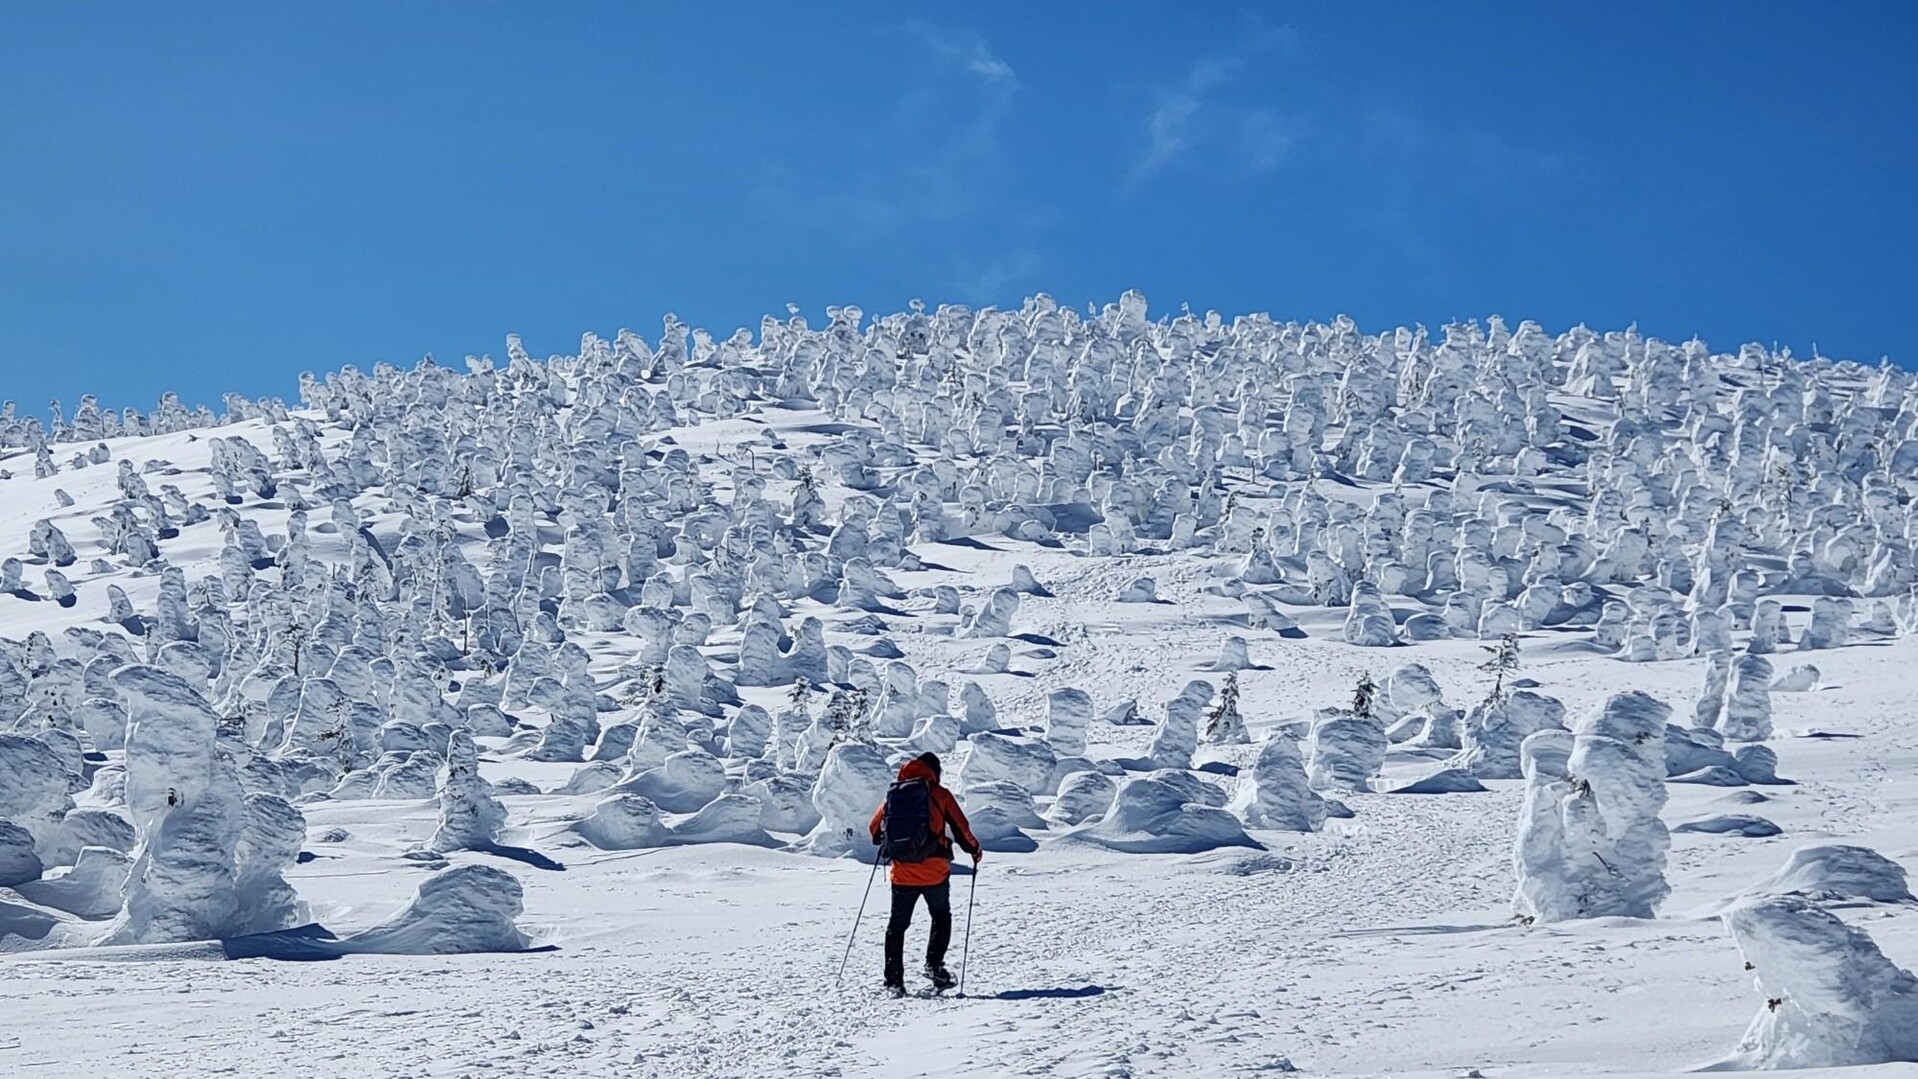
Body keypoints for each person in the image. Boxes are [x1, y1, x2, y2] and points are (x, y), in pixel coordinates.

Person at [869, 751, 981, 995]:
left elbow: (874, 831)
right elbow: (962, 830)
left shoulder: (894, 795)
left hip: (902, 874)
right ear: (935, 772)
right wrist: (975, 851)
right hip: (934, 872)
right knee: (941, 916)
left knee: (897, 927)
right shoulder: (939, 795)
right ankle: (934, 966)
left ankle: (894, 981)